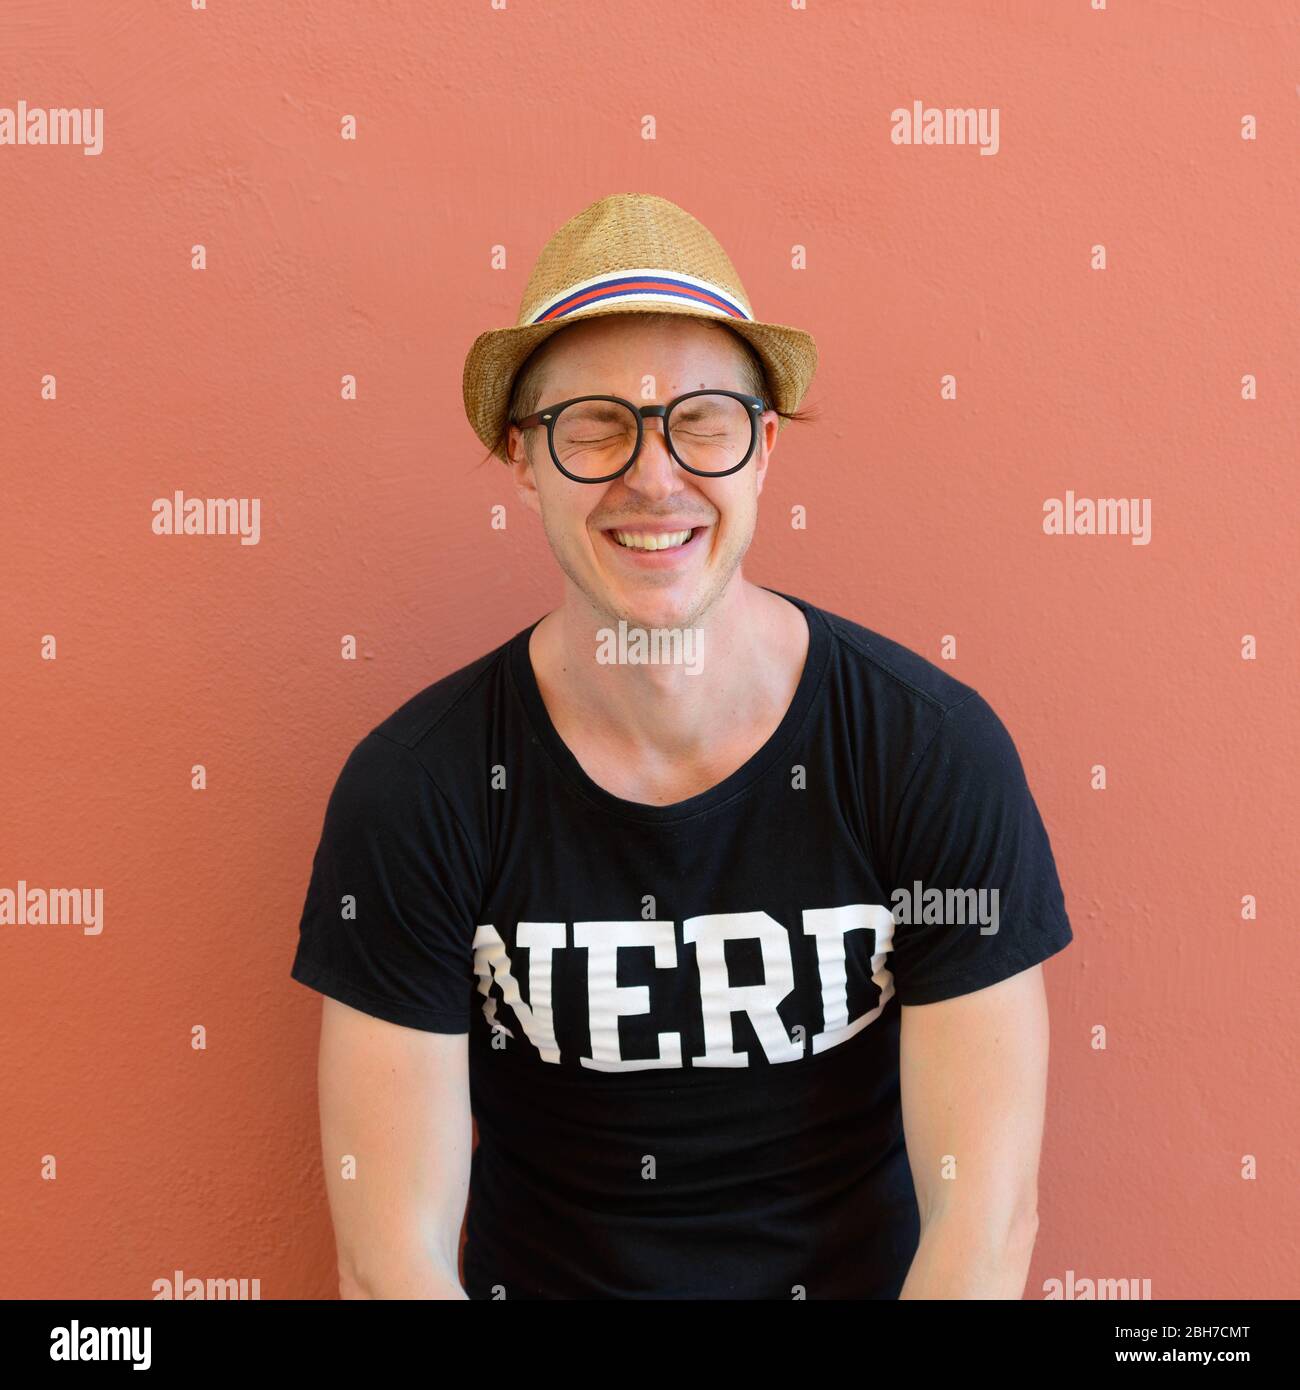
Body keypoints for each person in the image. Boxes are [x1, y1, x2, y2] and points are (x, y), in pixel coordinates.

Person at [290, 191, 1074, 1300]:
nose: (654, 477)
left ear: (761, 451)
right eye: (595, 424)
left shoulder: (926, 752)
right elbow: (390, 1262)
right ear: (523, 458)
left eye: (702, 420)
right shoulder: (419, 789)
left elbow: (982, 1224)